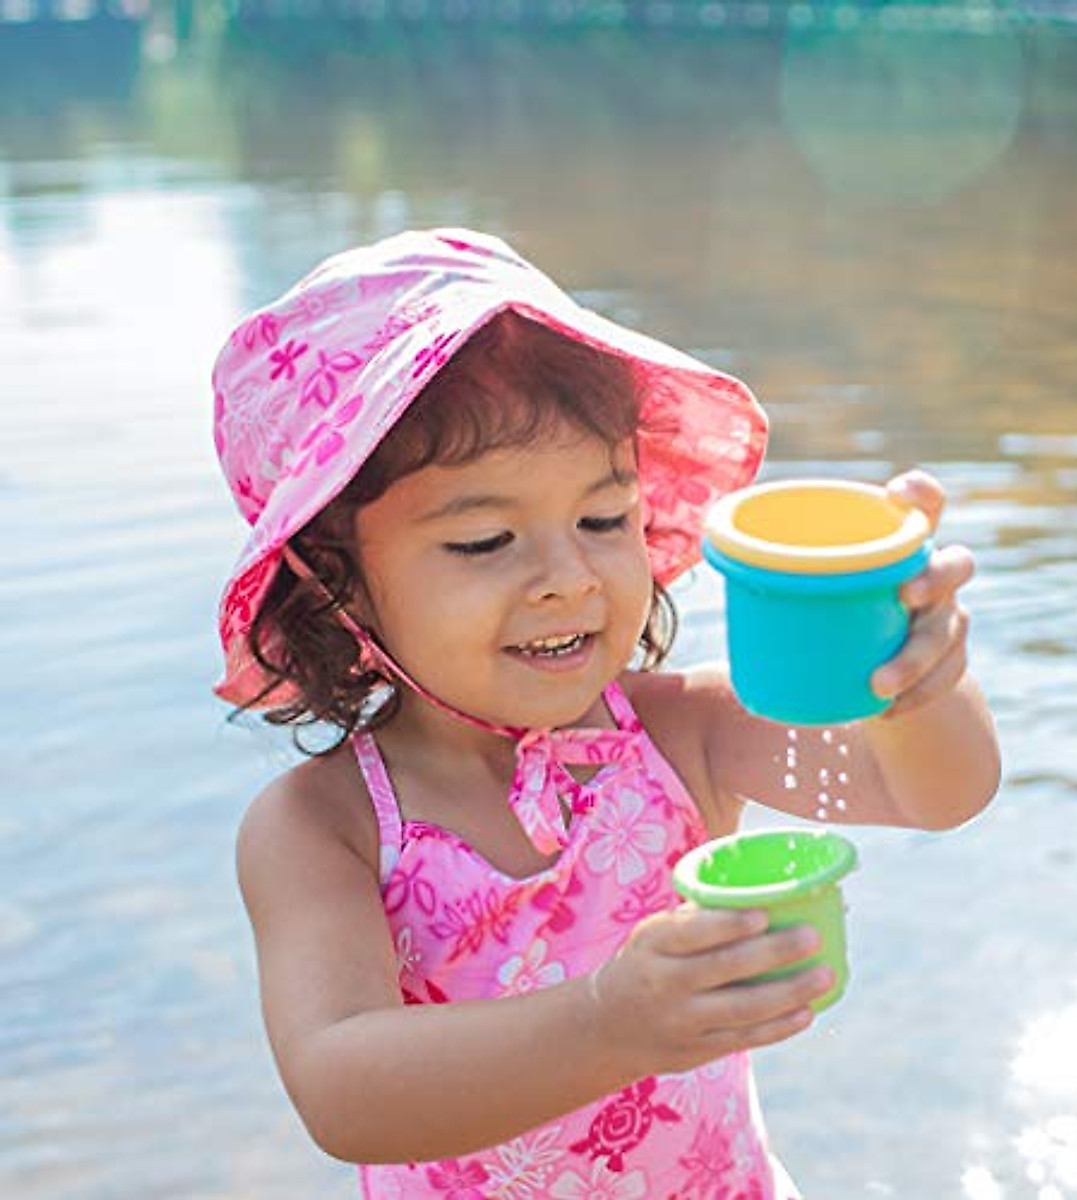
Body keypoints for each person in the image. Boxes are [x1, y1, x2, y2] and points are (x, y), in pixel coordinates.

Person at [213, 228, 1001, 1198]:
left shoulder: (684, 737)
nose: (569, 578)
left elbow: (934, 791)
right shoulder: (324, 827)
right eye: (487, 538)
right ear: (337, 582)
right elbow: (343, 1091)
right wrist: (608, 1024)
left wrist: (912, 679)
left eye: (601, 519)